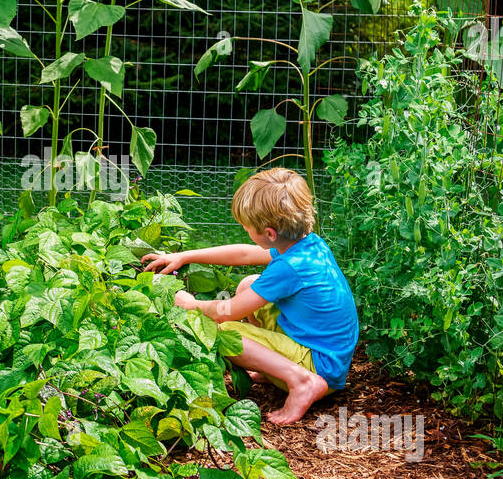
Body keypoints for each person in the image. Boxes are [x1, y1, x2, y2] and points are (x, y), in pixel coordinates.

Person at [143, 168, 358, 424]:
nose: (245, 231)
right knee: (248, 285)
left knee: (224, 335)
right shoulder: (306, 245)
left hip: (320, 368)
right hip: (327, 354)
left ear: (269, 233)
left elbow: (230, 311)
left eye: (247, 228)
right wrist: (185, 255)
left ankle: (301, 381)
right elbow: (245, 255)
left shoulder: (289, 268)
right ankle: (274, 368)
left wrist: (191, 304)